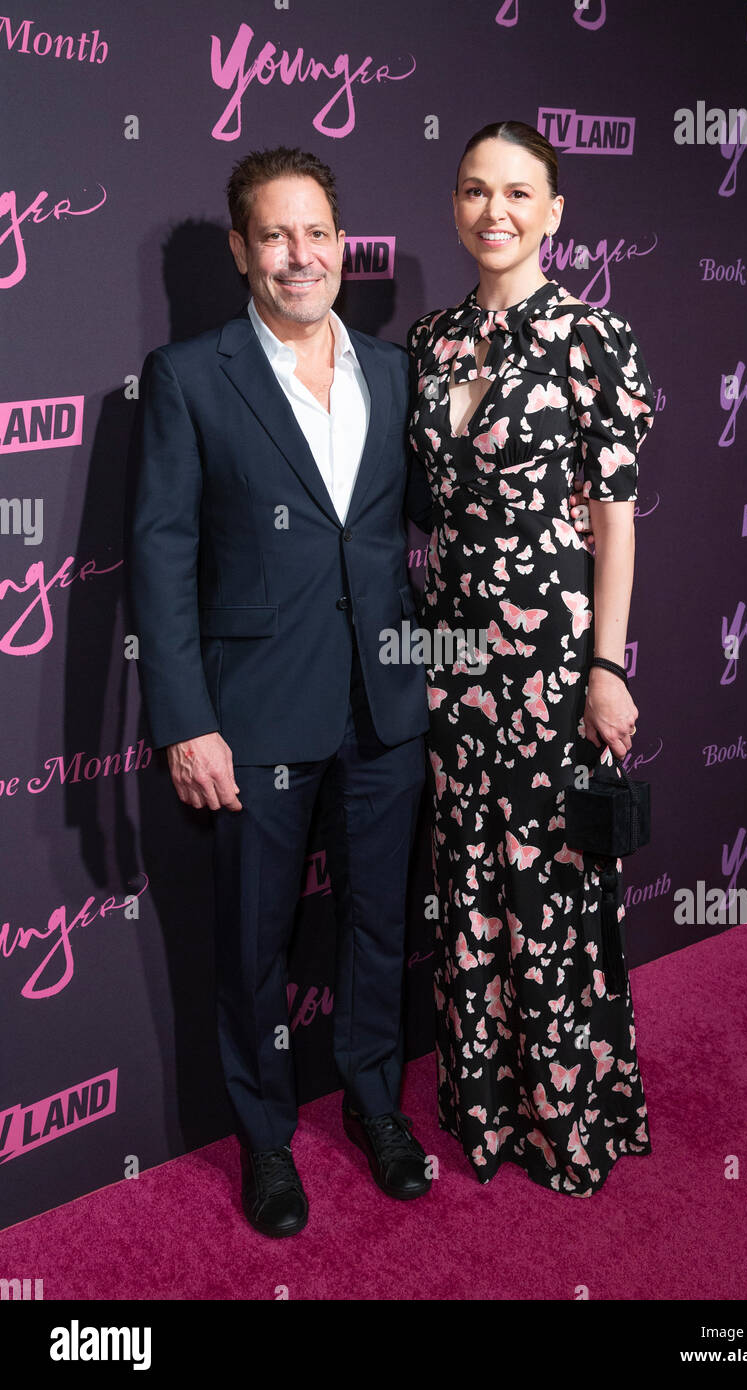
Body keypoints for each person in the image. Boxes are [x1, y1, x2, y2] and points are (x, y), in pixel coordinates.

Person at [128, 146, 436, 1237]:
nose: (299, 255)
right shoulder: (189, 375)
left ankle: (375, 1107)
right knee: (252, 944)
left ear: (343, 244)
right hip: (250, 712)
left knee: (375, 925)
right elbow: (160, 557)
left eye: (316, 233)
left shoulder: (394, 372)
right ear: (240, 251)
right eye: (275, 235)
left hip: (386, 709)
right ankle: (264, 1139)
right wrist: (185, 718)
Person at [406, 121, 656, 1196]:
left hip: (552, 658)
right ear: (454, 206)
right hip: (450, 654)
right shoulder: (429, 339)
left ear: (554, 214)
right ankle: (485, 1104)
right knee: (465, 878)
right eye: (473, 190)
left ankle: (567, 1117)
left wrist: (608, 665)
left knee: (550, 887)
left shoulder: (593, 335)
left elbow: (615, 518)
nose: (493, 211)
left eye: (517, 193)